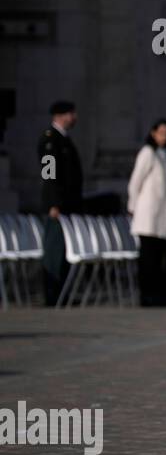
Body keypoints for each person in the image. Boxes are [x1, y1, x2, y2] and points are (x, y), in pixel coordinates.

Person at [38, 100, 83, 305]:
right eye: (70, 114)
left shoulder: (64, 140)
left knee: (65, 251)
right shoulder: (50, 140)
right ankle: (52, 295)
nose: (74, 118)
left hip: (68, 205)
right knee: (54, 251)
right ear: (60, 115)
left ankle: (63, 294)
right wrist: (53, 203)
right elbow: (49, 175)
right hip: (56, 206)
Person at [127, 120, 166, 306]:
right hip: (147, 215)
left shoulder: (164, 154)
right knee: (147, 258)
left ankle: (156, 293)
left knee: (157, 258)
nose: (164, 136)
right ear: (153, 133)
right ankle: (146, 295)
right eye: (161, 132)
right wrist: (132, 207)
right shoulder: (147, 152)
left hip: (162, 215)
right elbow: (135, 182)